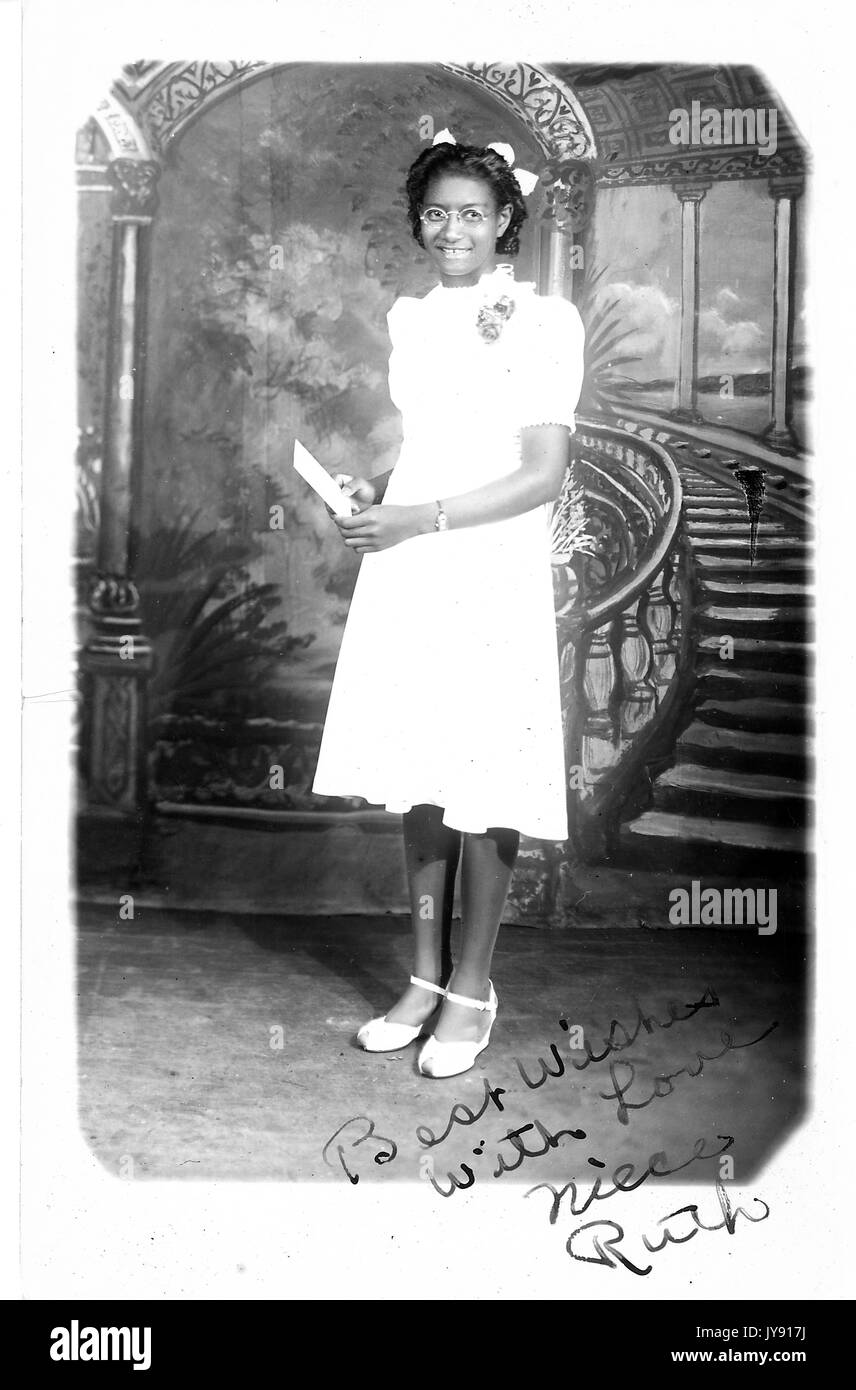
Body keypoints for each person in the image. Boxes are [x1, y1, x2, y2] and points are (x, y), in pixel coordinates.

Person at [311, 134, 586, 1078]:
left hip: (488, 560)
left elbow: (542, 475)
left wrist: (417, 517)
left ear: (507, 218)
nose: (454, 229)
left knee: (484, 772)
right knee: (423, 766)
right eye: (438, 213)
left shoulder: (546, 321)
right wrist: (376, 490)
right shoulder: (413, 316)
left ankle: (473, 987)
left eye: (474, 212)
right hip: (412, 556)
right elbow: (437, 442)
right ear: (419, 222)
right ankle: (423, 977)